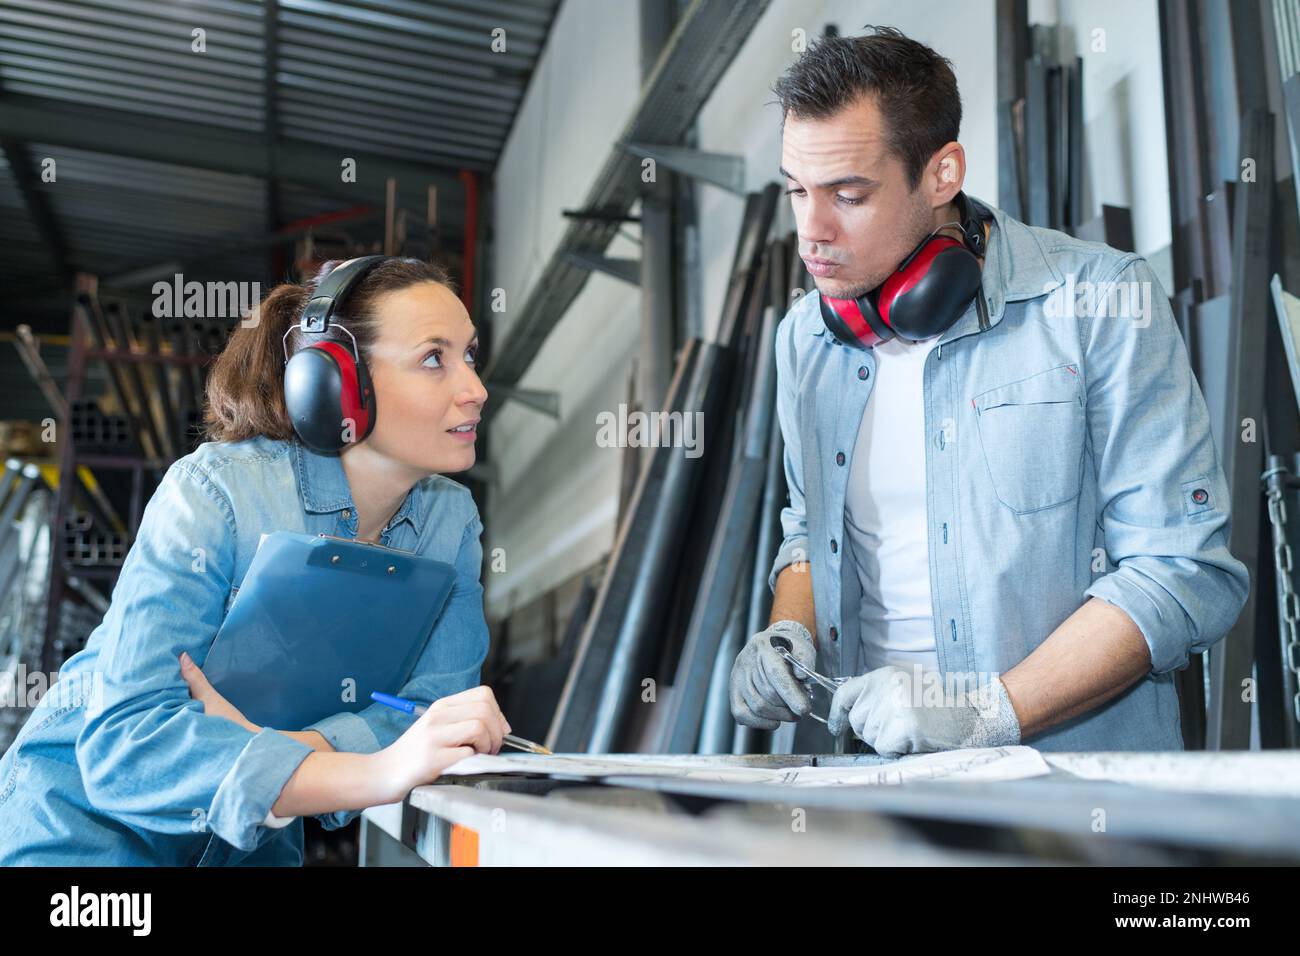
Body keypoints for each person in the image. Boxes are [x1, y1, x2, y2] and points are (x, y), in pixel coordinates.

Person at [730, 28, 1249, 754]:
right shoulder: (805, 341)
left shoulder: (1097, 302)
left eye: (848, 195)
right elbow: (810, 529)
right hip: (863, 784)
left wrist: (984, 713)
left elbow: (1180, 570)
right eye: (796, 192)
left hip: (1068, 798)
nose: (810, 232)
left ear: (942, 174)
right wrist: (789, 628)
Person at [0, 256, 510, 864]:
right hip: (81, 831)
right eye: (434, 358)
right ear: (337, 383)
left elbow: (437, 717)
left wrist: (278, 747)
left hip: (248, 845)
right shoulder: (216, 492)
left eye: (470, 355)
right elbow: (126, 746)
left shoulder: (450, 523)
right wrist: (370, 772)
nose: (474, 389)